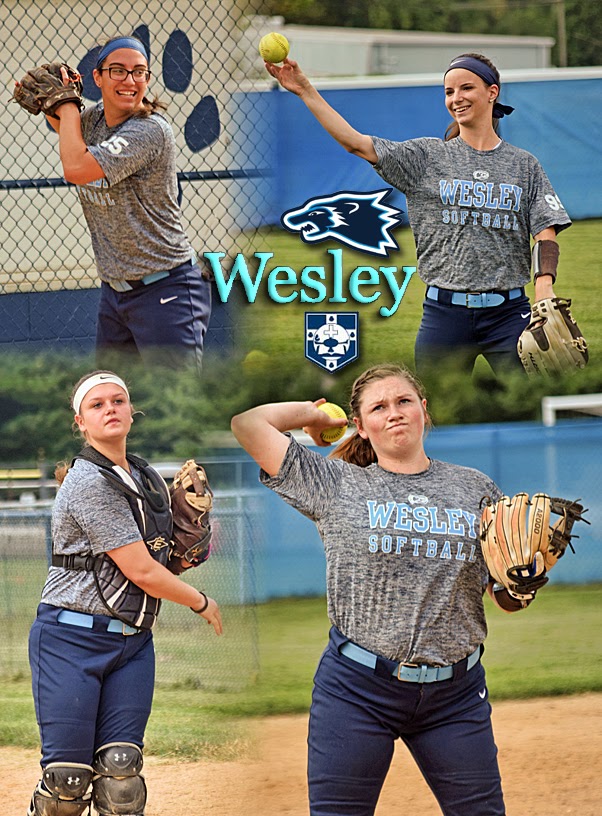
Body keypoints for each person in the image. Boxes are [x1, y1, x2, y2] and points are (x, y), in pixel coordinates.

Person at [231, 363, 539, 816]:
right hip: (357, 691)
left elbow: (500, 596)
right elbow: (248, 424)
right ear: (360, 424)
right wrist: (314, 417)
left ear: (423, 411)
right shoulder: (336, 485)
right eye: (378, 407)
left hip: (455, 695)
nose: (394, 413)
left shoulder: (475, 489)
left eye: (403, 401)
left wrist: (521, 586)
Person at [265, 53, 572, 377]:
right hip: (444, 315)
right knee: (436, 414)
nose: (456, 98)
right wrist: (304, 90)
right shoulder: (426, 157)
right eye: (449, 92)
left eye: (466, 88)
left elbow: (545, 231)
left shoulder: (524, 165)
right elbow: (355, 143)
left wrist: (543, 286)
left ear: (491, 92)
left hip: (510, 315)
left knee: (524, 409)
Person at [27, 370, 222, 816]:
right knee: (66, 787)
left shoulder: (145, 476)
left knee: (122, 775)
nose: (110, 409)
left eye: (118, 401)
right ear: (80, 422)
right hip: (70, 639)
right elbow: (140, 571)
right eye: (97, 405)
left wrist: (186, 553)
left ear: (132, 411)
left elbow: (159, 561)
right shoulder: (89, 481)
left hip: (132, 642)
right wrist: (200, 601)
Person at [45, 36, 212, 371]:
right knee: (115, 399)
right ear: (98, 77)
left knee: (174, 406)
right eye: (118, 71)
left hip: (166, 288)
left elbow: (76, 168)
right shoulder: (91, 120)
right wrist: (56, 101)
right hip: (115, 293)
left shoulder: (149, 130)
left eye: (139, 72)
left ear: (147, 79)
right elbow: (63, 126)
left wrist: (65, 105)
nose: (130, 80)